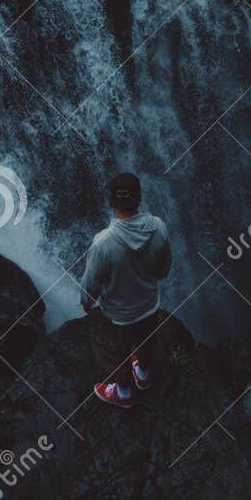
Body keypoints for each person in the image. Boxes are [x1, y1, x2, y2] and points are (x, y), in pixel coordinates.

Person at [80, 172, 172, 409]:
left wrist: (87, 303)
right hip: (150, 306)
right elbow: (163, 269)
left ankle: (123, 393)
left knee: (117, 355)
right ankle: (142, 375)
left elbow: (90, 284)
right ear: (139, 197)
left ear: (110, 202)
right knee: (147, 343)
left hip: (118, 316)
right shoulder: (159, 227)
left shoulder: (103, 243)